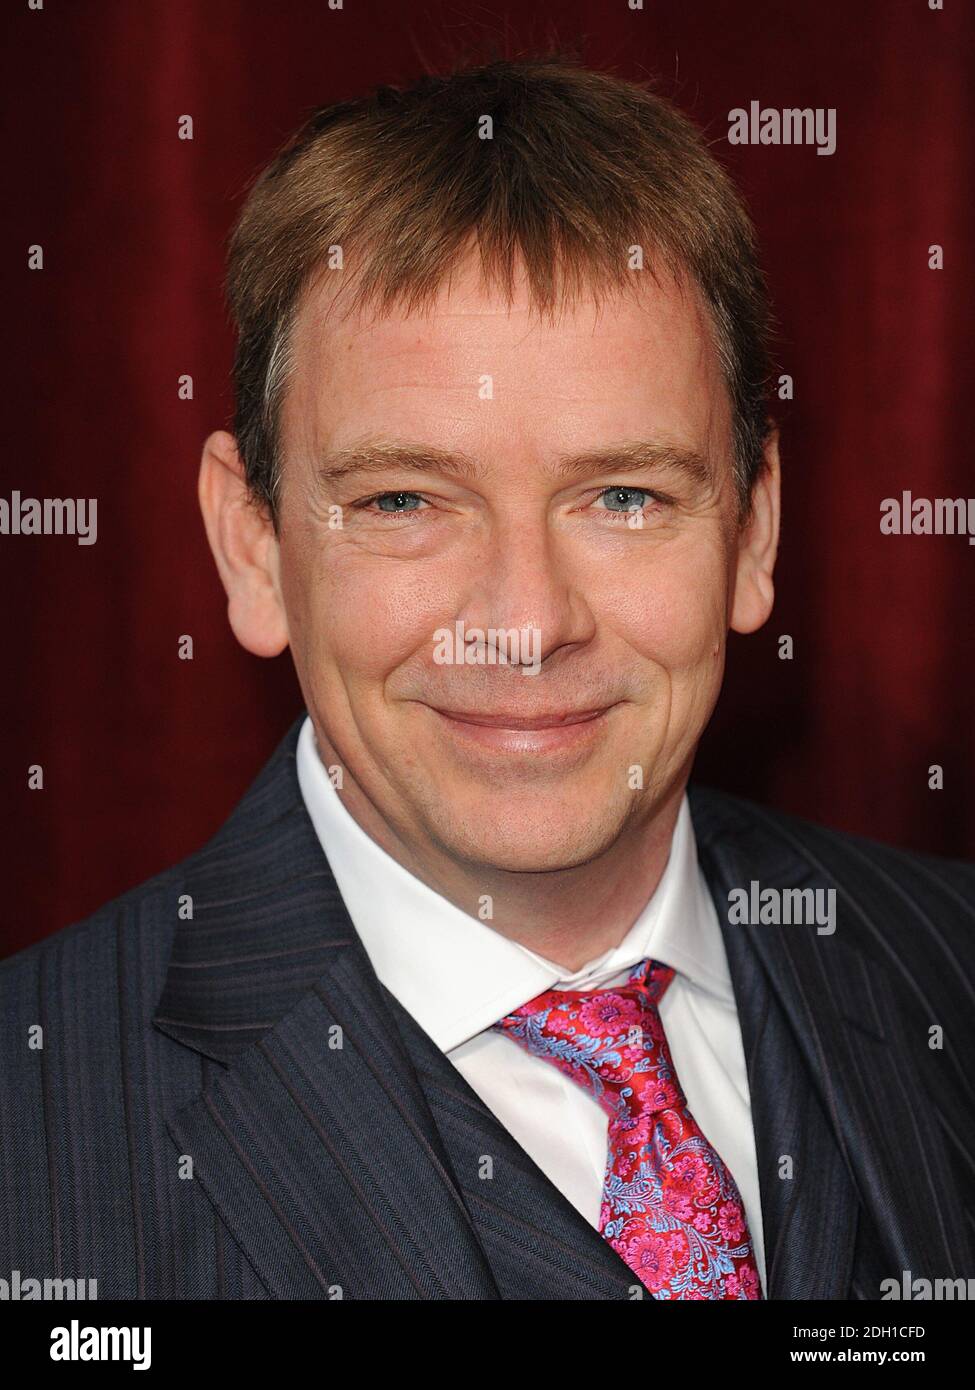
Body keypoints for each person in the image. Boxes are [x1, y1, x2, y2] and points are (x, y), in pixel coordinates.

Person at [2, 56, 972, 1302]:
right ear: (254, 549)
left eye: (624, 496)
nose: (525, 624)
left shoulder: (947, 963)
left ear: (753, 531)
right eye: (405, 499)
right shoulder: (32, 1126)